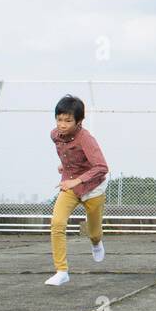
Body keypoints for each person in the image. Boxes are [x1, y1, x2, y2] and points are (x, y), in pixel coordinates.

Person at [47, 94, 109, 286]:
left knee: (93, 232)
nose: (62, 125)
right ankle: (61, 271)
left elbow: (102, 167)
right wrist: (65, 167)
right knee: (57, 222)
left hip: (93, 187)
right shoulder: (55, 135)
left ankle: (96, 243)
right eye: (59, 119)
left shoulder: (86, 139)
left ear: (79, 121)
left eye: (68, 121)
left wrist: (78, 180)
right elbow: (68, 156)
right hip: (69, 185)